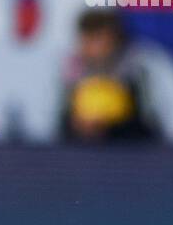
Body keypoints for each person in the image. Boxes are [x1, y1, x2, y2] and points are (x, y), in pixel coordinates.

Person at [60, 10, 158, 143]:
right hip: (81, 152)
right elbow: (59, 124)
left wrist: (110, 126)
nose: (93, 48)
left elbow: (151, 124)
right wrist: (77, 125)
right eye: (88, 40)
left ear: (114, 39)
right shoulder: (71, 70)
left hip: (130, 151)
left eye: (98, 39)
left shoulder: (137, 68)